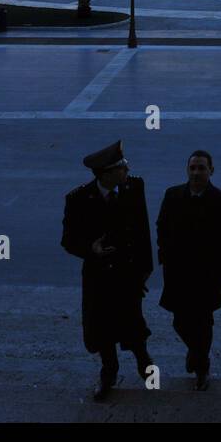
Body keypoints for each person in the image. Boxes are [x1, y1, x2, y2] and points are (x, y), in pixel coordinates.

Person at [60, 140, 154, 402]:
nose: (127, 170)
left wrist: (146, 267)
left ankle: (144, 362)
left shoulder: (134, 188)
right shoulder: (78, 199)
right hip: (99, 275)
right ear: (106, 174)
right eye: (121, 167)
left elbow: (142, 229)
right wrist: (91, 248)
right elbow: (68, 240)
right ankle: (109, 371)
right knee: (102, 327)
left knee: (134, 321)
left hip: (128, 272)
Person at [155, 151, 221, 390]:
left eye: (201, 168)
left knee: (203, 322)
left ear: (211, 171)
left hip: (207, 274)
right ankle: (196, 352)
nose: (196, 172)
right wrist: (165, 254)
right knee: (180, 321)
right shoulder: (172, 195)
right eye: (193, 168)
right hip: (179, 273)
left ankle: (202, 366)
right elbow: (161, 225)